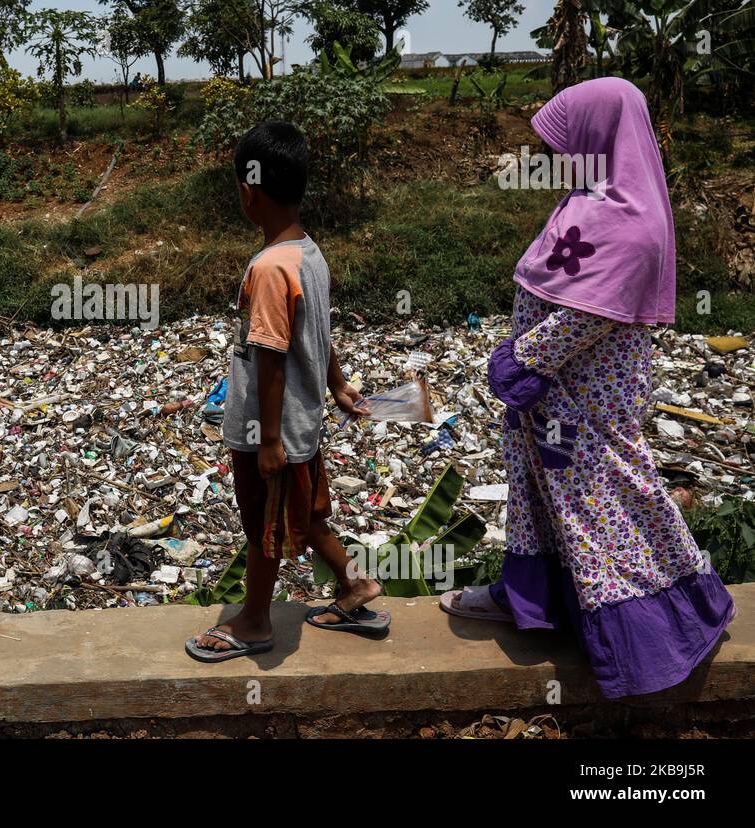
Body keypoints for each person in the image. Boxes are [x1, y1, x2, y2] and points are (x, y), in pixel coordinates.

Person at [440, 77, 735, 698]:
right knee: (547, 500)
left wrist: (524, 358)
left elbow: (594, 311)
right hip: (550, 398)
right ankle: (531, 602)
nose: (556, 156)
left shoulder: (630, 220)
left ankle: (651, 634)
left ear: (601, 137)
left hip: (584, 400)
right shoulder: (595, 199)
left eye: (567, 142)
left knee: (606, 505)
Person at [186, 121, 387, 663]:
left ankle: (254, 622)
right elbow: (317, 333)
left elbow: (273, 354)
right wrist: (338, 384)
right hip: (303, 423)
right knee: (307, 514)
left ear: (249, 192)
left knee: (263, 527)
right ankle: (356, 586)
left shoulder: (271, 267)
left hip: (269, 432)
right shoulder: (308, 253)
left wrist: (268, 438)